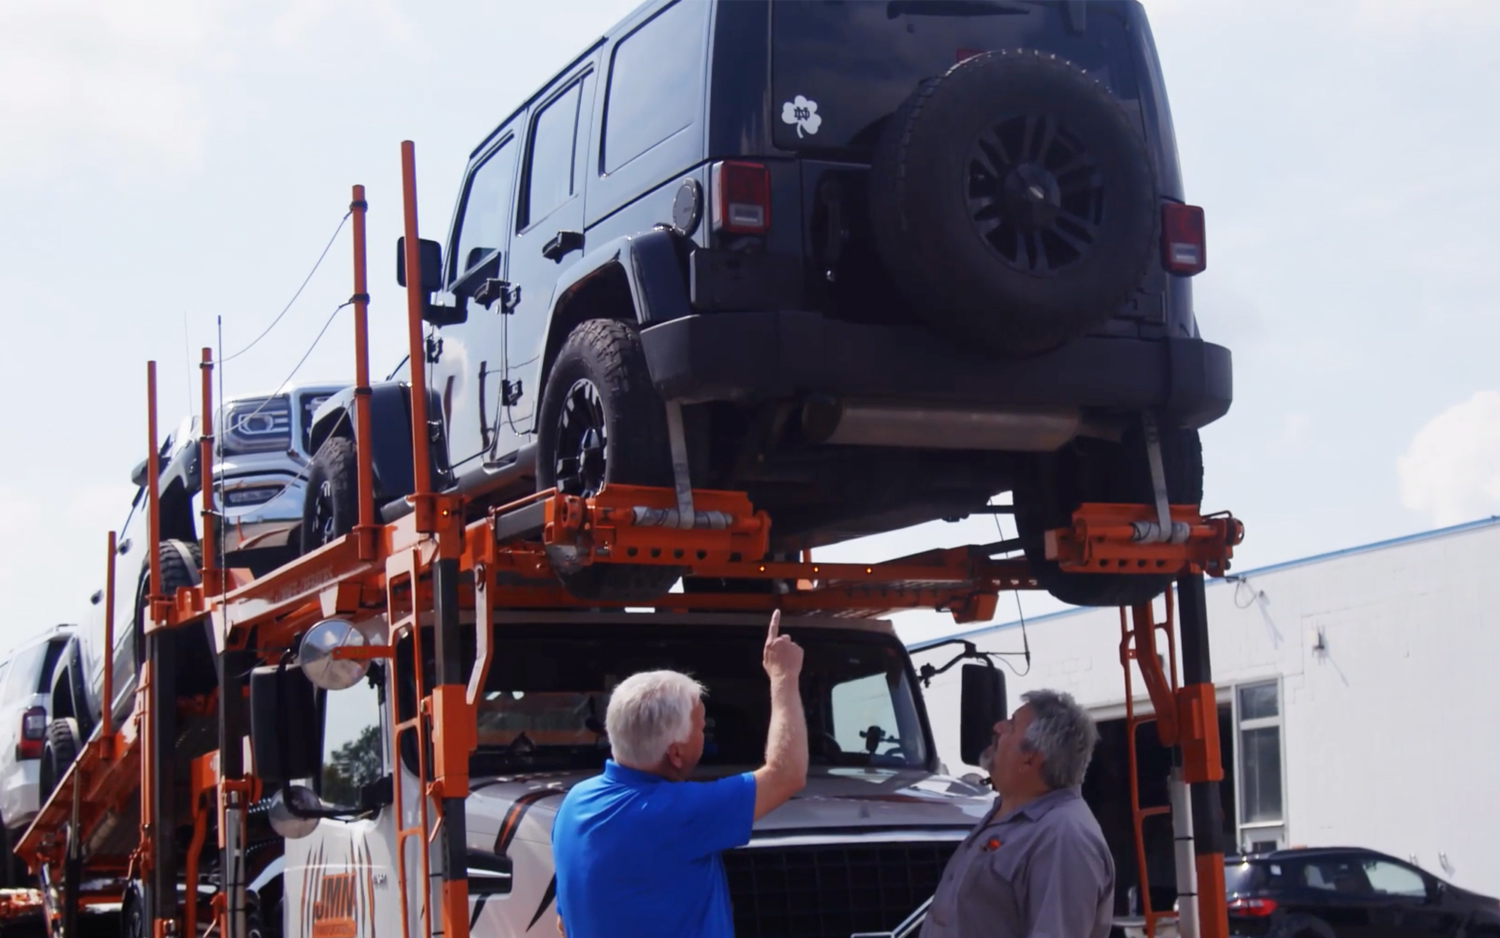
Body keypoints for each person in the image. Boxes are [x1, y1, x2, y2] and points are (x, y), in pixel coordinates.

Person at [551, 610, 807, 938]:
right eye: (701, 726)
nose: (706, 731)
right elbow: (787, 774)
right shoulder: (675, 812)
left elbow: (563, 923)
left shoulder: (574, 803)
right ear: (675, 753)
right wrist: (784, 676)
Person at [922, 689, 1114, 938]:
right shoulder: (1007, 811)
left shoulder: (1063, 838)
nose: (998, 727)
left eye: (1011, 726)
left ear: (1030, 760)